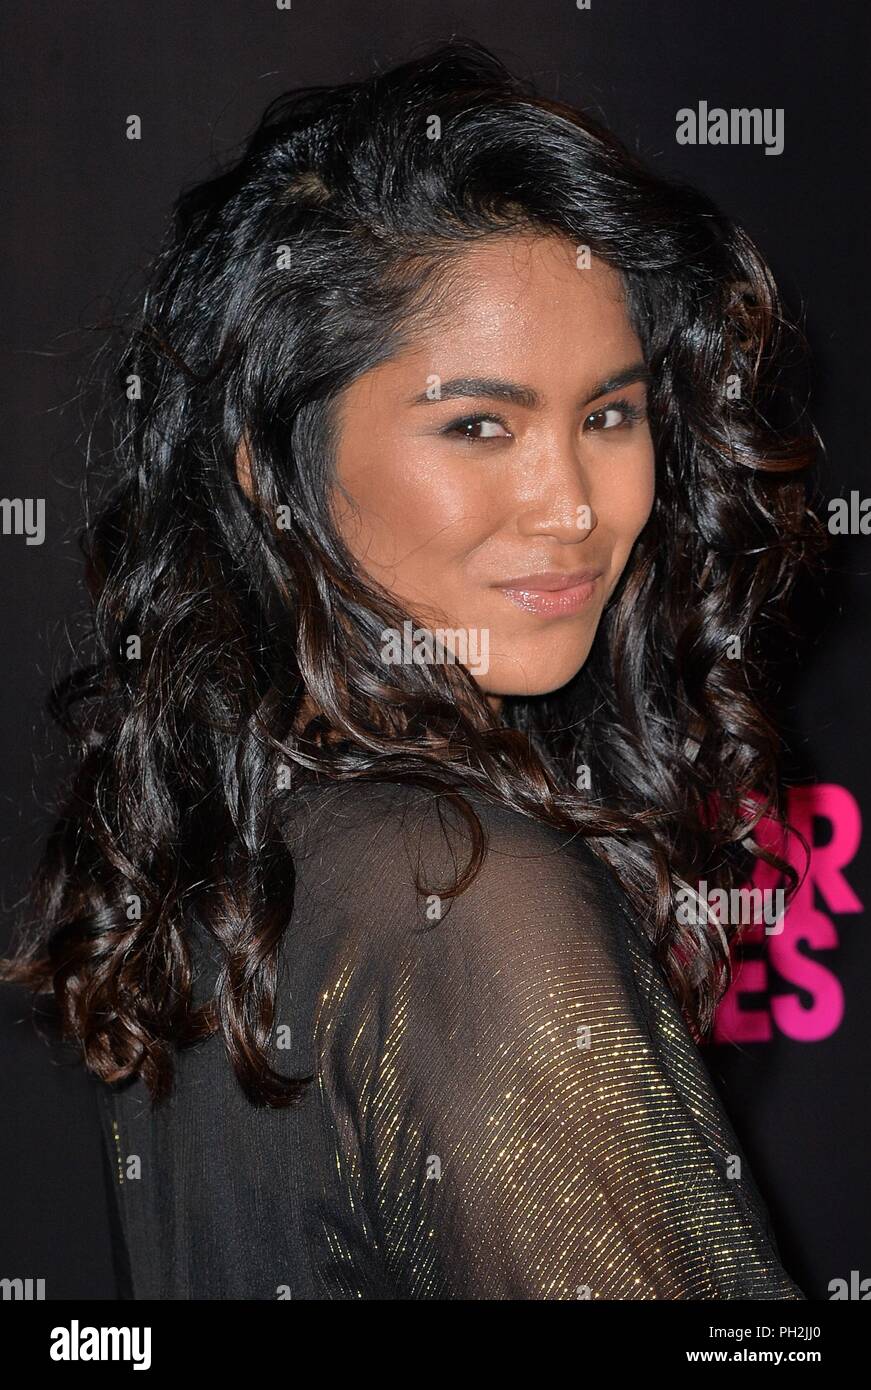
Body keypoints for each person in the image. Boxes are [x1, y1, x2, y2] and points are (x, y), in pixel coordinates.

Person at [2, 38, 822, 1299]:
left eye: (609, 414)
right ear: (270, 471)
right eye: (477, 425)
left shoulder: (246, 853)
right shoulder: (466, 896)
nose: (571, 507)